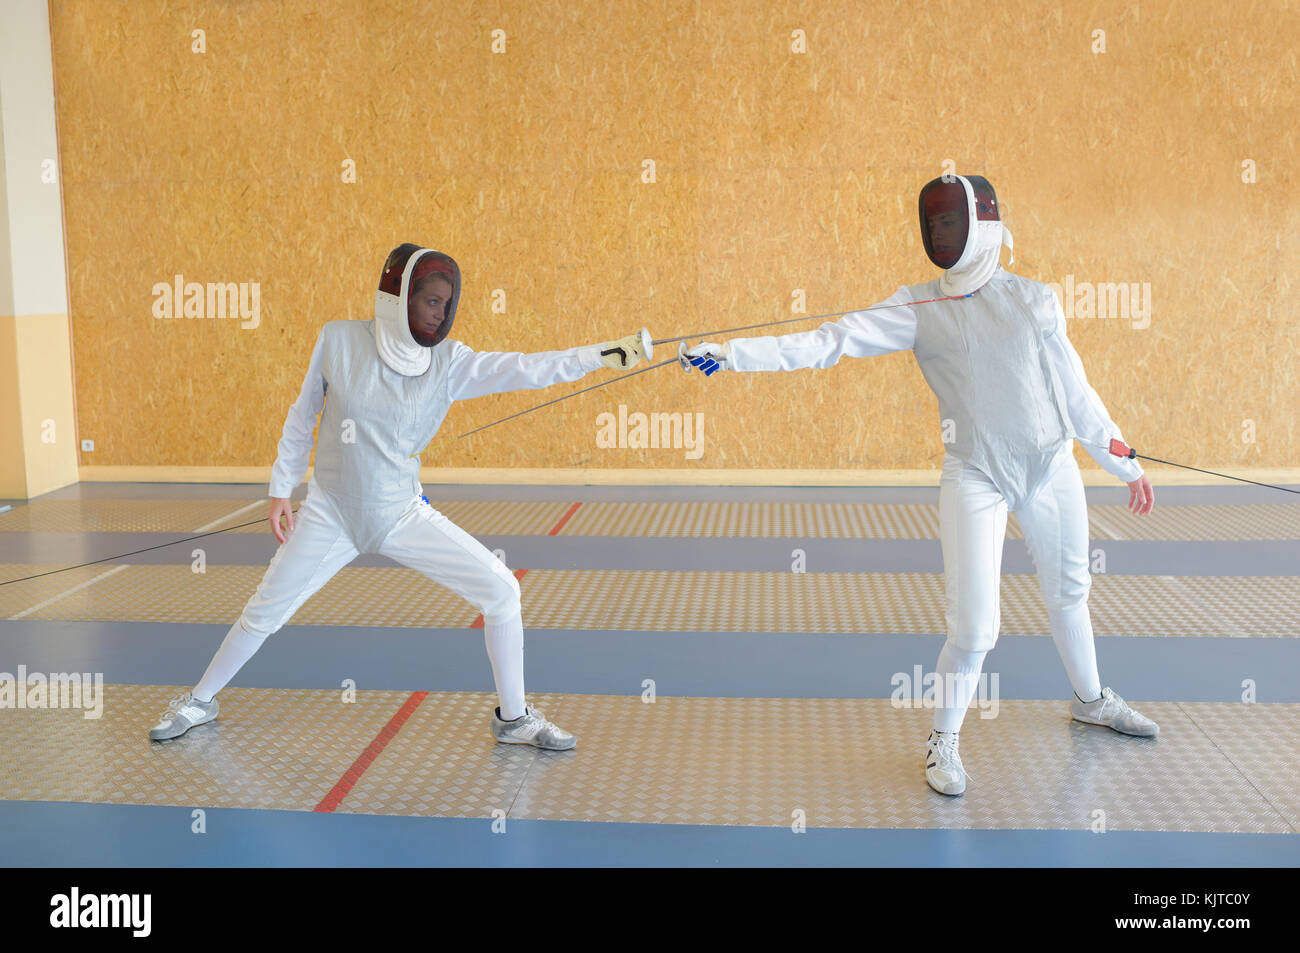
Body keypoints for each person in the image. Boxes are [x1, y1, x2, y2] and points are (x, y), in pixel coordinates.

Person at [683, 175, 1158, 796]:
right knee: (973, 629)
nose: (937, 233)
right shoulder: (916, 308)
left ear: (981, 225)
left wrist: (1120, 456)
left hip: (1051, 466)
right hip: (976, 473)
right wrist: (734, 355)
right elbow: (828, 342)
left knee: (1071, 590)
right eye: (931, 223)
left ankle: (1091, 701)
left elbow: (1074, 390)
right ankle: (943, 741)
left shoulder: (1036, 299)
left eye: (948, 221)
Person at [150, 243, 650, 750]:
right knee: (266, 609)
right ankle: (199, 700)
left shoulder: (450, 362)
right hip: (330, 512)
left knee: (501, 590)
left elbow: (526, 368)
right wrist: (282, 487)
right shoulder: (339, 341)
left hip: (400, 512)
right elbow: (303, 416)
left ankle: (514, 719)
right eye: (430, 301)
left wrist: (600, 356)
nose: (440, 313)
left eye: (446, 304)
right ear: (399, 297)